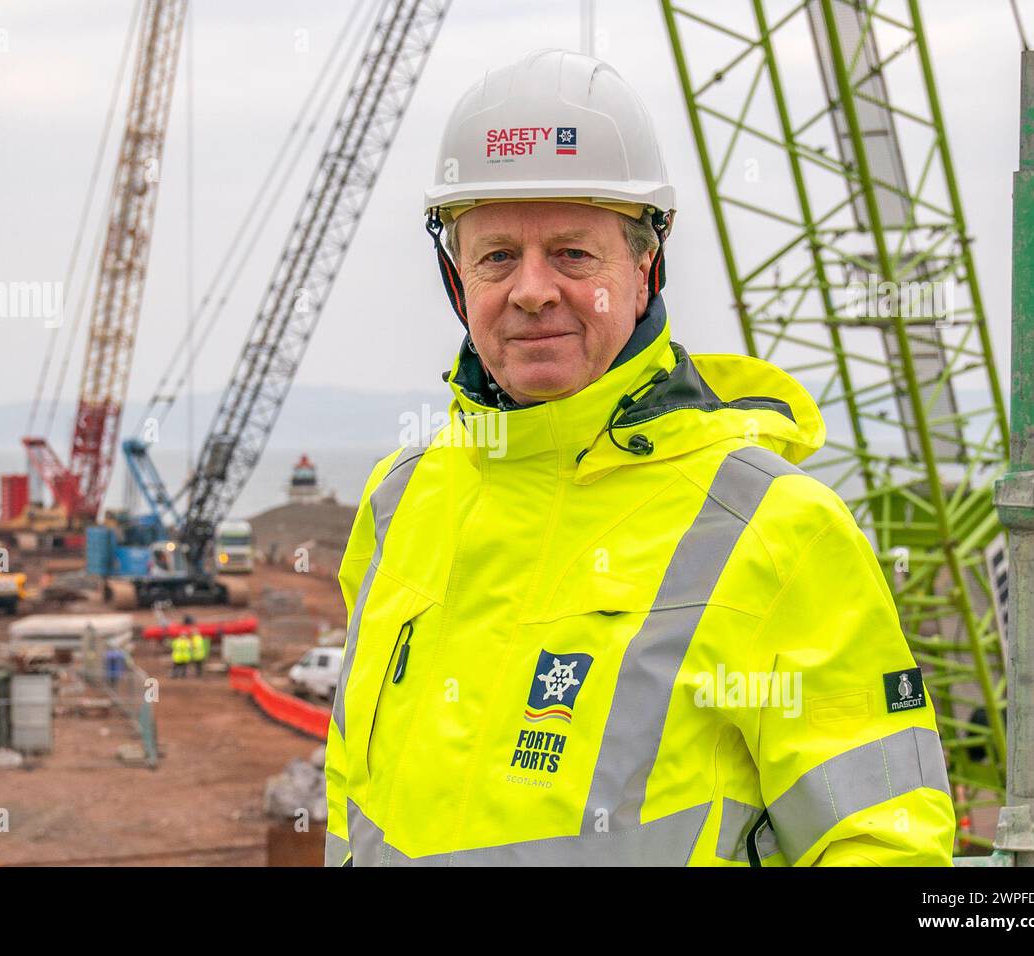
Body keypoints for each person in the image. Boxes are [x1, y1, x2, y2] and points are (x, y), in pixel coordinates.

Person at [323, 50, 955, 867]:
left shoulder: (772, 526)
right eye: (497, 257)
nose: (532, 290)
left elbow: (881, 840)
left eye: (574, 254)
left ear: (644, 266)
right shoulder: (399, 501)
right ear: (457, 277)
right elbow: (351, 797)